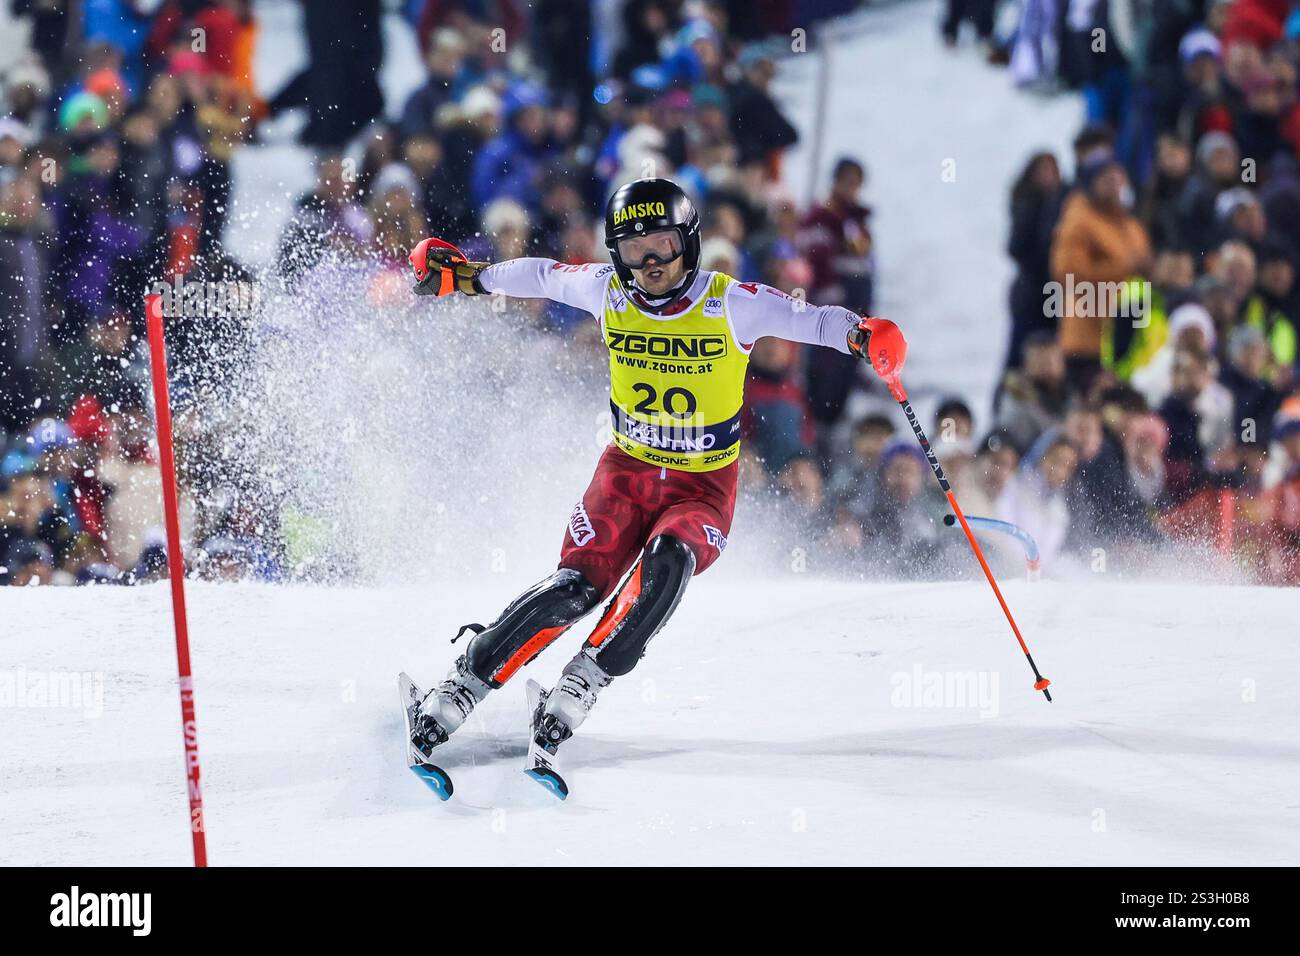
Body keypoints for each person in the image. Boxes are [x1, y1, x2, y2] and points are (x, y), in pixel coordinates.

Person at [402, 177, 888, 763]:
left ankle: (582, 684)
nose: (651, 263)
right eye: (634, 250)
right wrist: (472, 277)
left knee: (669, 562)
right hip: (625, 475)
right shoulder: (608, 292)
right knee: (574, 590)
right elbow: (542, 275)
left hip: (702, 488)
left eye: (663, 246)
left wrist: (863, 335)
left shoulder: (730, 301)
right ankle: (461, 685)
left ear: (690, 244)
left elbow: (811, 321)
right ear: (616, 255)